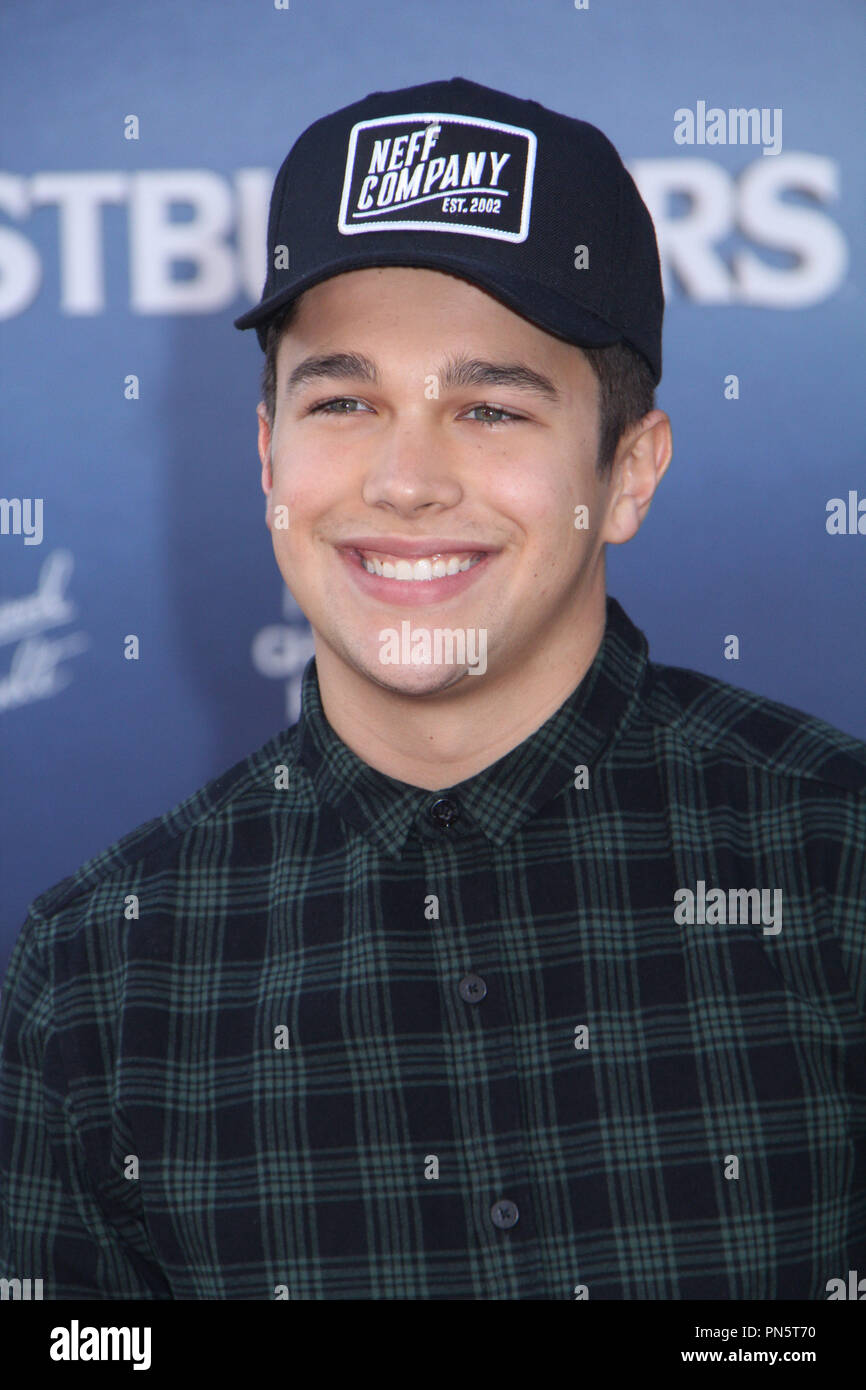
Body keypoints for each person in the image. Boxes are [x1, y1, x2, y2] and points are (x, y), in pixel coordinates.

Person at [1, 76, 864, 1302]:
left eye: (489, 405)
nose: (404, 480)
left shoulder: (835, 863)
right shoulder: (98, 971)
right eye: (344, 401)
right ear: (265, 455)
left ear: (628, 471)